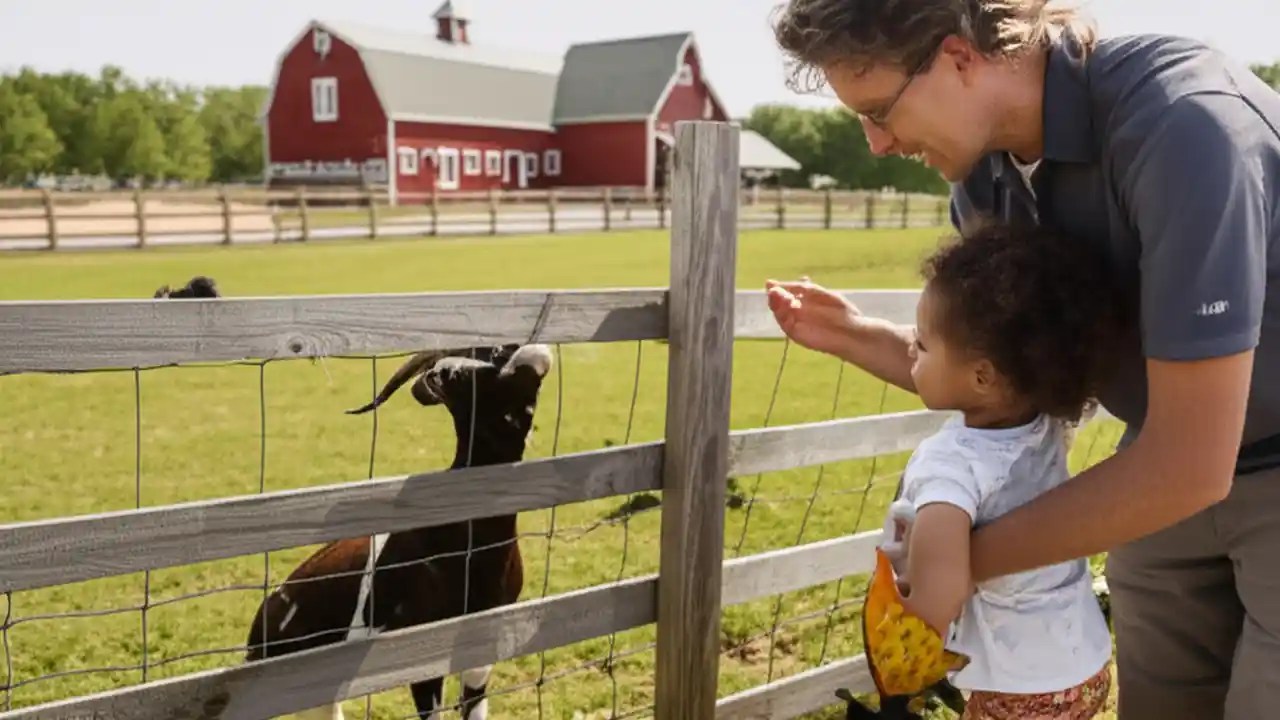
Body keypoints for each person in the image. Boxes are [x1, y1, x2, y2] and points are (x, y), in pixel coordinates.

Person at [764, 1, 1280, 718]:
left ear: (958, 57)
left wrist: (950, 564)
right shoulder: (985, 177)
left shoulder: (1183, 126)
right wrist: (858, 336)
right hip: (1162, 466)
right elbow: (1008, 377)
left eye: (880, 109)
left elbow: (1192, 463)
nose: (876, 143)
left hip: (1191, 459)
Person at [876, 219, 1118, 718]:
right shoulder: (1045, 422)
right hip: (1085, 665)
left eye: (921, 345)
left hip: (1017, 685)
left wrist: (902, 670)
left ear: (983, 376)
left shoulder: (949, 465)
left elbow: (942, 588)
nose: (910, 351)